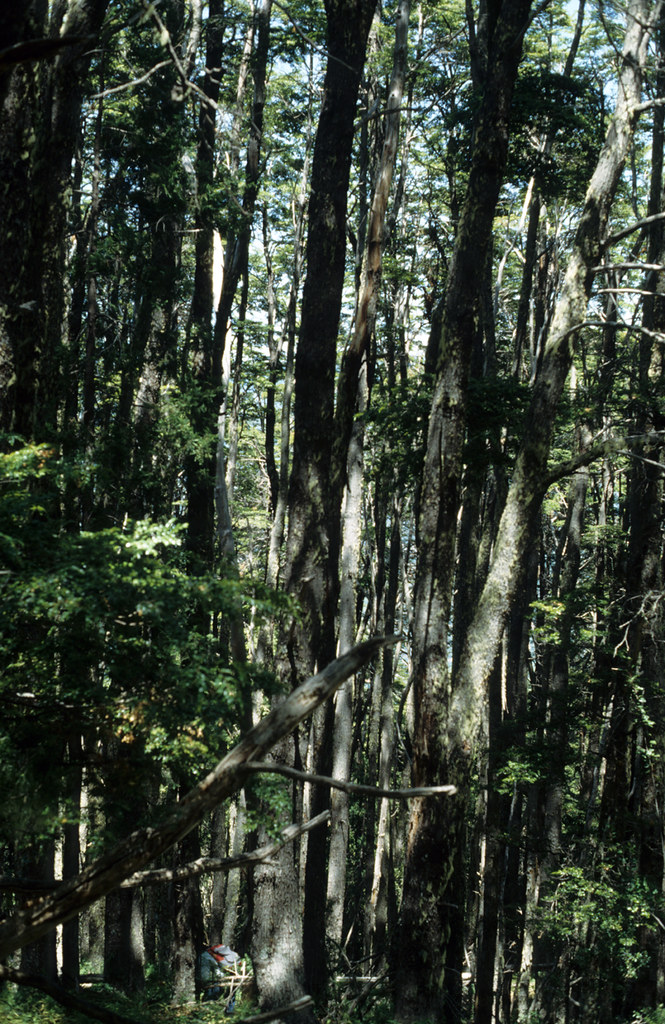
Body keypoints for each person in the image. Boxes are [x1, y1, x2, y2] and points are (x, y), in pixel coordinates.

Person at [197, 942, 240, 1011]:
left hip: (226, 974)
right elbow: (206, 976)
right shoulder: (209, 956)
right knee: (212, 985)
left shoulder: (235, 957)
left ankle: (229, 1010)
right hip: (214, 972)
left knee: (229, 989)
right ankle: (207, 1007)